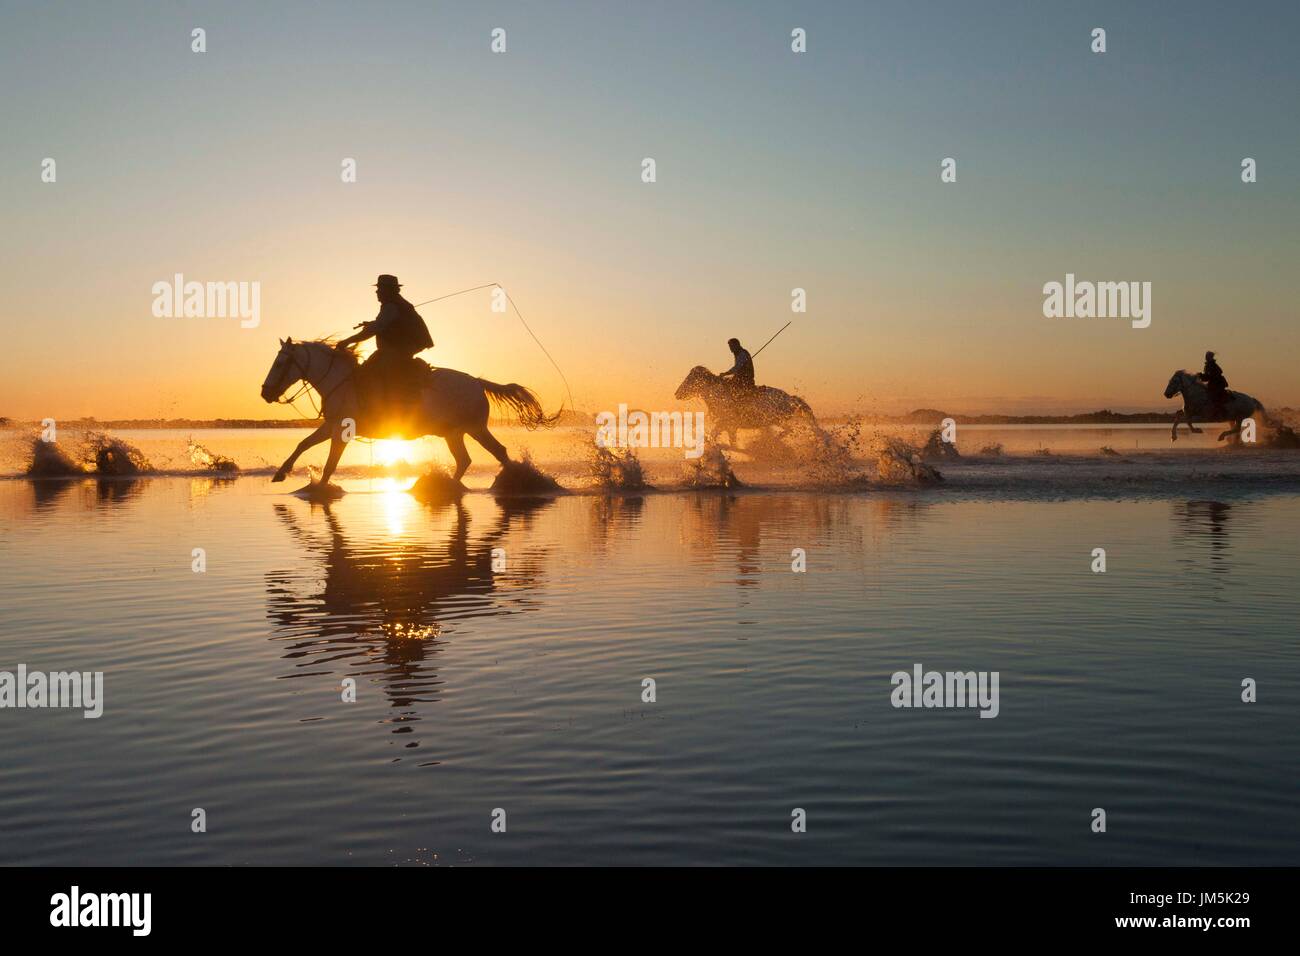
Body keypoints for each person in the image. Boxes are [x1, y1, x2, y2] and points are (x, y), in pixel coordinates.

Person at [336, 275, 434, 414]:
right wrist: (372, 324)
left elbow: (378, 328)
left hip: (401, 347)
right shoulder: (395, 304)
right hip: (403, 346)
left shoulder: (391, 305)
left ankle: (384, 407)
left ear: (388, 290)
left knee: (369, 371)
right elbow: (389, 325)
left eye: (380, 289)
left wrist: (348, 341)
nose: (377, 292)